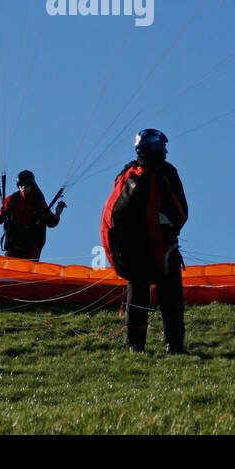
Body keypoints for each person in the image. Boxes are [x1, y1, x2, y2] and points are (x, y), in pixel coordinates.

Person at [100, 129, 188, 353]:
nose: (166, 151)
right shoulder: (165, 173)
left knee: (138, 293)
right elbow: (181, 210)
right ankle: (174, 345)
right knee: (170, 296)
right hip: (161, 247)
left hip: (134, 251)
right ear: (156, 148)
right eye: (163, 146)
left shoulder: (126, 174)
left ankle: (135, 346)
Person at [0, 170, 65, 260]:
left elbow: (51, 222)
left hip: (31, 245)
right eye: (21, 185)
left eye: (26, 185)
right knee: (10, 269)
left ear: (32, 186)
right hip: (14, 243)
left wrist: (57, 214)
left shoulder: (38, 201)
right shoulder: (11, 200)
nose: (23, 188)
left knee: (27, 270)